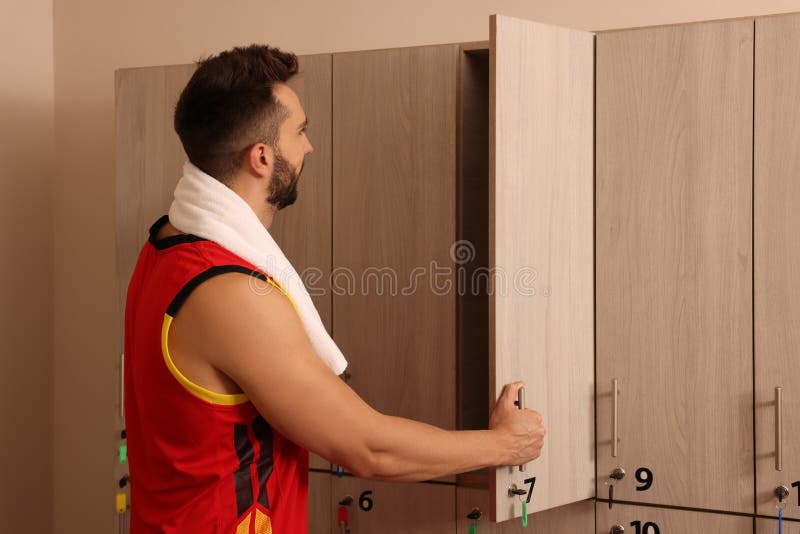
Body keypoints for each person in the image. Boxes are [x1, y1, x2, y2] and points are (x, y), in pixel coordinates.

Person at [124, 44, 546, 534]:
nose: (308, 147)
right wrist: (506, 445)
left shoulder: (163, 247)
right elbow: (369, 447)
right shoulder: (229, 293)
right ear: (261, 157)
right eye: (299, 132)